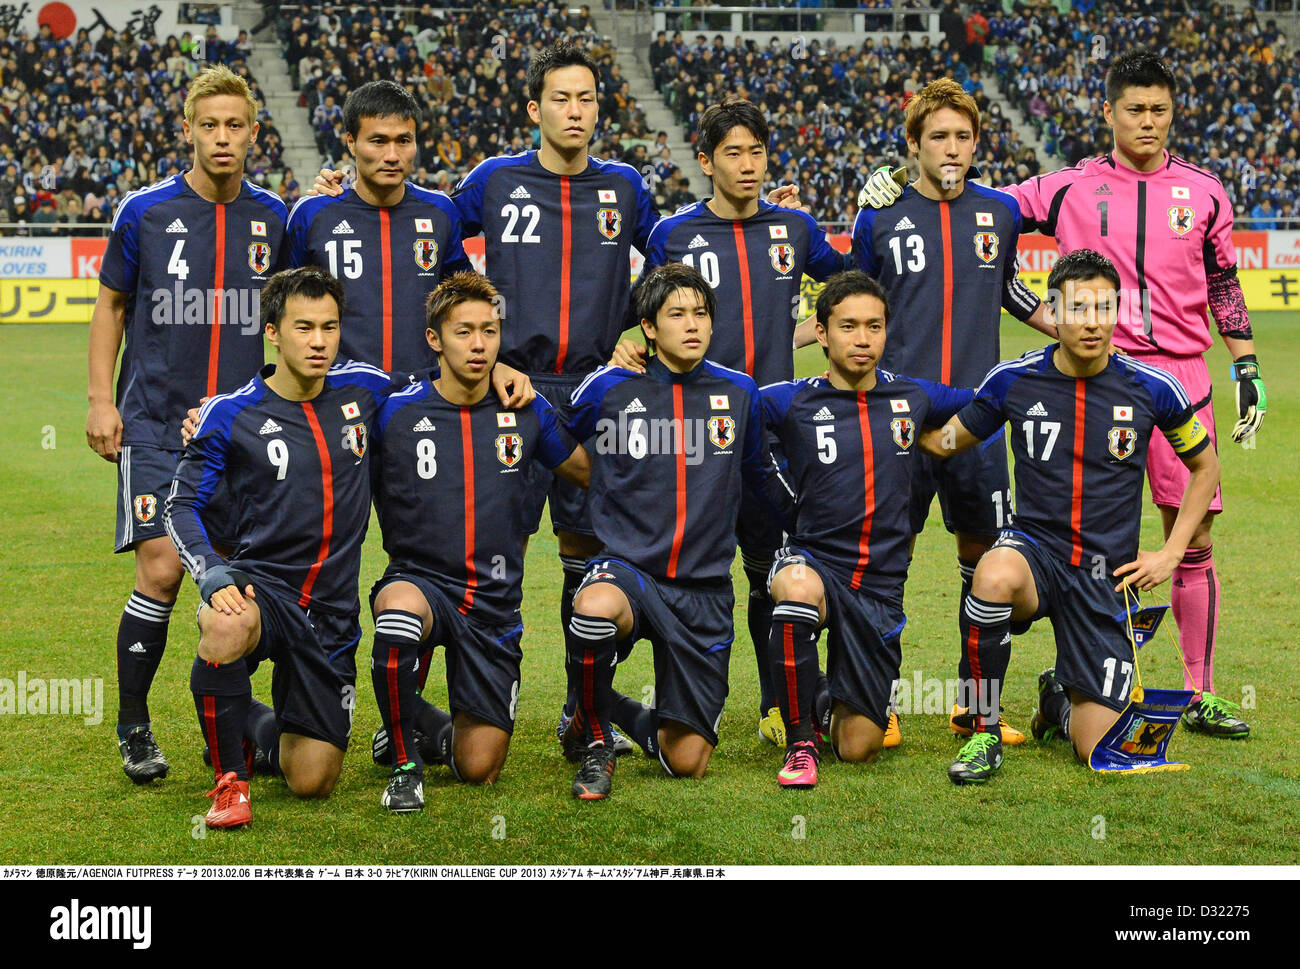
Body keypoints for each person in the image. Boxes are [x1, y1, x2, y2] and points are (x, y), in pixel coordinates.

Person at [860, 51, 1261, 737]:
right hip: (1079, 377)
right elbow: (962, 200)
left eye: (1159, 109)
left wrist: (1246, 361)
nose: (1147, 122)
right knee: (1070, 535)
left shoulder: (1206, 191)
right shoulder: (1063, 187)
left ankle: (1199, 689)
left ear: (1173, 114)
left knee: (1189, 539)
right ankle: (1070, 676)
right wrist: (896, 179)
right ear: (1108, 112)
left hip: (1178, 376)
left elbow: (1223, 278)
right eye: (1134, 108)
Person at [918, 250, 1220, 783]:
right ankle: (983, 730)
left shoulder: (1152, 388)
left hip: (1105, 575)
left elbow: (1205, 467)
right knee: (992, 574)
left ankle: (1057, 699)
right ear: (1053, 311)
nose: (1092, 321)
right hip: (1035, 554)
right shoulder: (1014, 380)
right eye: (1079, 307)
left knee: (1098, 748)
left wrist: (1172, 553)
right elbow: (948, 440)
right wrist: (886, 419)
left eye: (1104, 307)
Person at [614, 95, 851, 748]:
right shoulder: (673, 236)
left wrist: (804, 331)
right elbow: (642, 314)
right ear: (705, 160)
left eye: (756, 152)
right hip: (695, 435)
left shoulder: (796, 229)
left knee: (771, 566)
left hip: (777, 429)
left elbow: (849, 286)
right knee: (684, 565)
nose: (747, 165)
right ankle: (637, 697)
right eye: (732, 153)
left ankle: (781, 703)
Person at [86, 65, 288, 785]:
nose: (223, 137)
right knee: (165, 567)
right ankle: (134, 726)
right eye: (210, 125)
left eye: (236, 125)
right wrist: (99, 399)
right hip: (153, 423)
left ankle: (229, 724)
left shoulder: (275, 220)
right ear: (189, 130)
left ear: (253, 132)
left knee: (235, 578)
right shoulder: (143, 210)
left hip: (238, 433)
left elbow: (294, 309)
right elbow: (111, 305)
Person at [851, 78, 1054, 748]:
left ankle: (975, 705)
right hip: (897, 420)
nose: (952, 146)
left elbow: (1010, 290)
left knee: (983, 557)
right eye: (938, 135)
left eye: (963, 136)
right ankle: (876, 703)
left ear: (977, 143)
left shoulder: (999, 213)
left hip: (978, 418)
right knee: (886, 559)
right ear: (913, 144)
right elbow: (848, 302)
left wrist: (1071, 323)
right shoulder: (879, 217)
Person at [165, 267, 394, 828]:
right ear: (272, 332)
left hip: (332, 613)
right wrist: (212, 573)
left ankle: (246, 724)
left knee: (311, 781)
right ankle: (229, 783)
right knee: (224, 625)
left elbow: (444, 386)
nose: (318, 342)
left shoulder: (369, 390)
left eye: (329, 327)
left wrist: (510, 371)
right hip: (261, 588)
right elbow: (179, 506)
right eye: (303, 328)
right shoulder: (230, 413)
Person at [559, 262, 792, 799]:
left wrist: (806, 526)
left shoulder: (738, 393)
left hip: (704, 588)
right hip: (629, 573)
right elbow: (557, 438)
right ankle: (596, 744)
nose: (693, 325)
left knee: (685, 761)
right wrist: (602, 481)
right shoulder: (612, 387)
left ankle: (592, 703)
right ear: (648, 326)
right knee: (594, 609)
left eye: (701, 313)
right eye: (677, 314)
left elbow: (759, 476)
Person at [369, 272, 589, 812]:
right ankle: (404, 763)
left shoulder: (526, 408)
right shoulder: (393, 408)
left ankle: (420, 723)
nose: (478, 344)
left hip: (492, 605)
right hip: (420, 584)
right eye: (463, 331)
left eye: (489, 331)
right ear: (433, 339)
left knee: (478, 769)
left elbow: (585, 470)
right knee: (397, 617)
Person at [760, 271, 973, 787]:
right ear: (822, 331)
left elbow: (987, 403)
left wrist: (935, 444)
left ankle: (828, 695)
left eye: (873, 327)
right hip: (815, 564)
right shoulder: (788, 400)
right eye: (848, 326)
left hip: (879, 587)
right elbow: (718, 405)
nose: (862, 339)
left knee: (859, 749)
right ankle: (800, 741)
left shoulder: (914, 398)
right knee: (793, 589)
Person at [287, 81, 472, 374]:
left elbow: (464, 305)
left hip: (418, 396)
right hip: (336, 396)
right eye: (378, 141)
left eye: (403, 140)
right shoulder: (313, 215)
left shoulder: (440, 212)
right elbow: (285, 310)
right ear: (350, 142)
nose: (392, 155)